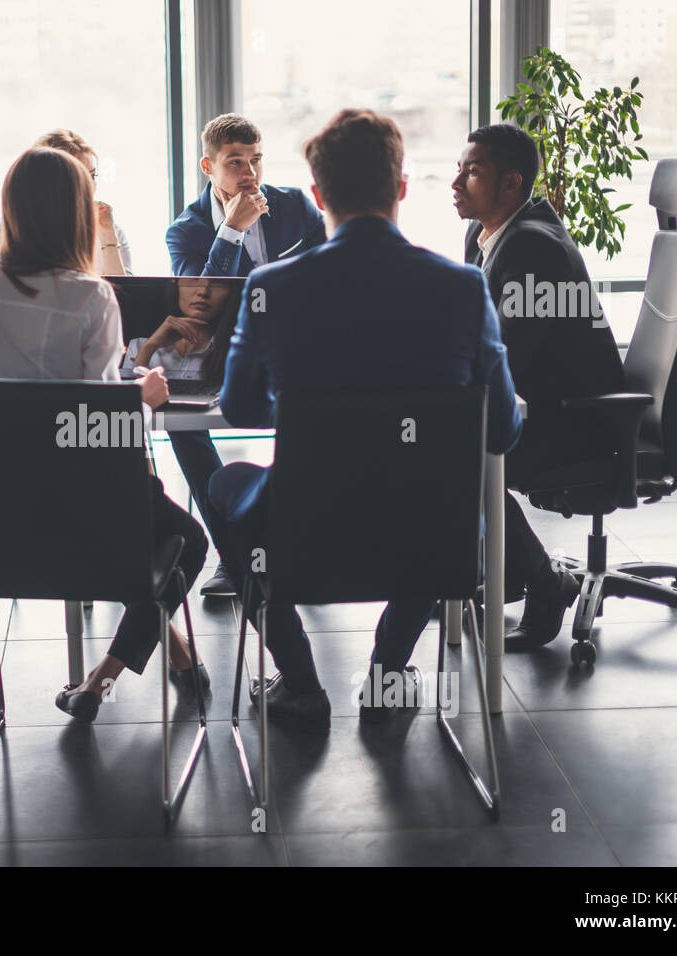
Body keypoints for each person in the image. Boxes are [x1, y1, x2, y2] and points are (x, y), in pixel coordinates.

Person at [209, 109, 522, 731]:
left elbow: (241, 408)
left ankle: (299, 680)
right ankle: (387, 670)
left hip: (305, 536)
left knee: (223, 487)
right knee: (448, 501)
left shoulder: (271, 288)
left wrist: (315, 413)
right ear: (401, 187)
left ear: (317, 194)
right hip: (432, 540)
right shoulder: (462, 288)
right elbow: (503, 430)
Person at [0, 146, 209, 723]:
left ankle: (133, 670)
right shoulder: (92, 296)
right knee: (184, 539)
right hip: (88, 510)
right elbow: (104, 431)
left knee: (138, 529)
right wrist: (141, 394)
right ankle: (102, 678)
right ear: (79, 215)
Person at [454, 123, 626, 648]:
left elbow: (504, 353)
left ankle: (543, 582)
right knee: (450, 436)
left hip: (576, 420)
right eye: (460, 167)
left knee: (456, 452)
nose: (457, 180)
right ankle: (510, 573)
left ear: (511, 183)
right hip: (540, 402)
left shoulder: (532, 247)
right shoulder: (487, 232)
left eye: (472, 170)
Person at [164, 113, 329, 599]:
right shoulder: (186, 231)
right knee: (180, 427)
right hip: (220, 354)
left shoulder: (295, 206)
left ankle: (294, 540)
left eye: (256, 160)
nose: (250, 173)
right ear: (207, 167)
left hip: (296, 350)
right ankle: (234, 551)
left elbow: (326, 274)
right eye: (235, 162)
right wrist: (231, 233)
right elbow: (201, 305)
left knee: (317, 415)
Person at [0, 128, 130, 276]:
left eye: (92, 176)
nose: (90, 186)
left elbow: (129, 296)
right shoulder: (12, 229)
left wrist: (108, 238)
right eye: (77, 177)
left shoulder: (112, 232)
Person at [120, 276, 240, 383]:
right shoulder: (140, 346)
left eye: (217, 281)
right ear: (176, 283)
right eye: (194, 278)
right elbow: (128, 401)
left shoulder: (238, 352)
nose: (203, 292)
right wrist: (149, 348)